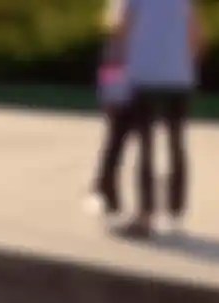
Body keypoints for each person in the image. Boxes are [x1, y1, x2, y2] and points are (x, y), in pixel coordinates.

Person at [116, 0, 205, 238]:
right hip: (179, 79)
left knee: (146, 145)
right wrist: (187, 66)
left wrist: (119, 71)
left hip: (144, 76)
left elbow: (122, 29)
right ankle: (175, 211)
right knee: (176, 143)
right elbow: (197, 34)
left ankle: (145, 214)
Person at [88, 0, 133, 219]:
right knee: (117, 132)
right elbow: (116, 25)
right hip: (119, 68)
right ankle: (104, 188)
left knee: (119, 134)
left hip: (127, 69)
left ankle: (103, 186)